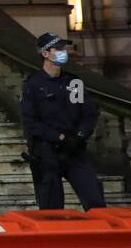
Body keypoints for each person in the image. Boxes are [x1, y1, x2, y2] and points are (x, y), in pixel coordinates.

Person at [20, 32, 107, 210]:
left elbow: (88, 113)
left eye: (63, 48)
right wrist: (58, 137)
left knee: (95, 201)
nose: (63, 52)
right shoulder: (33, 84)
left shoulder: (73, 82)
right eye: (58, 48)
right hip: (47, 153)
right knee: (51, 210)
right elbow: (30, 122)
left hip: (74, 150)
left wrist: (79, 135)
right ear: (45, 53)